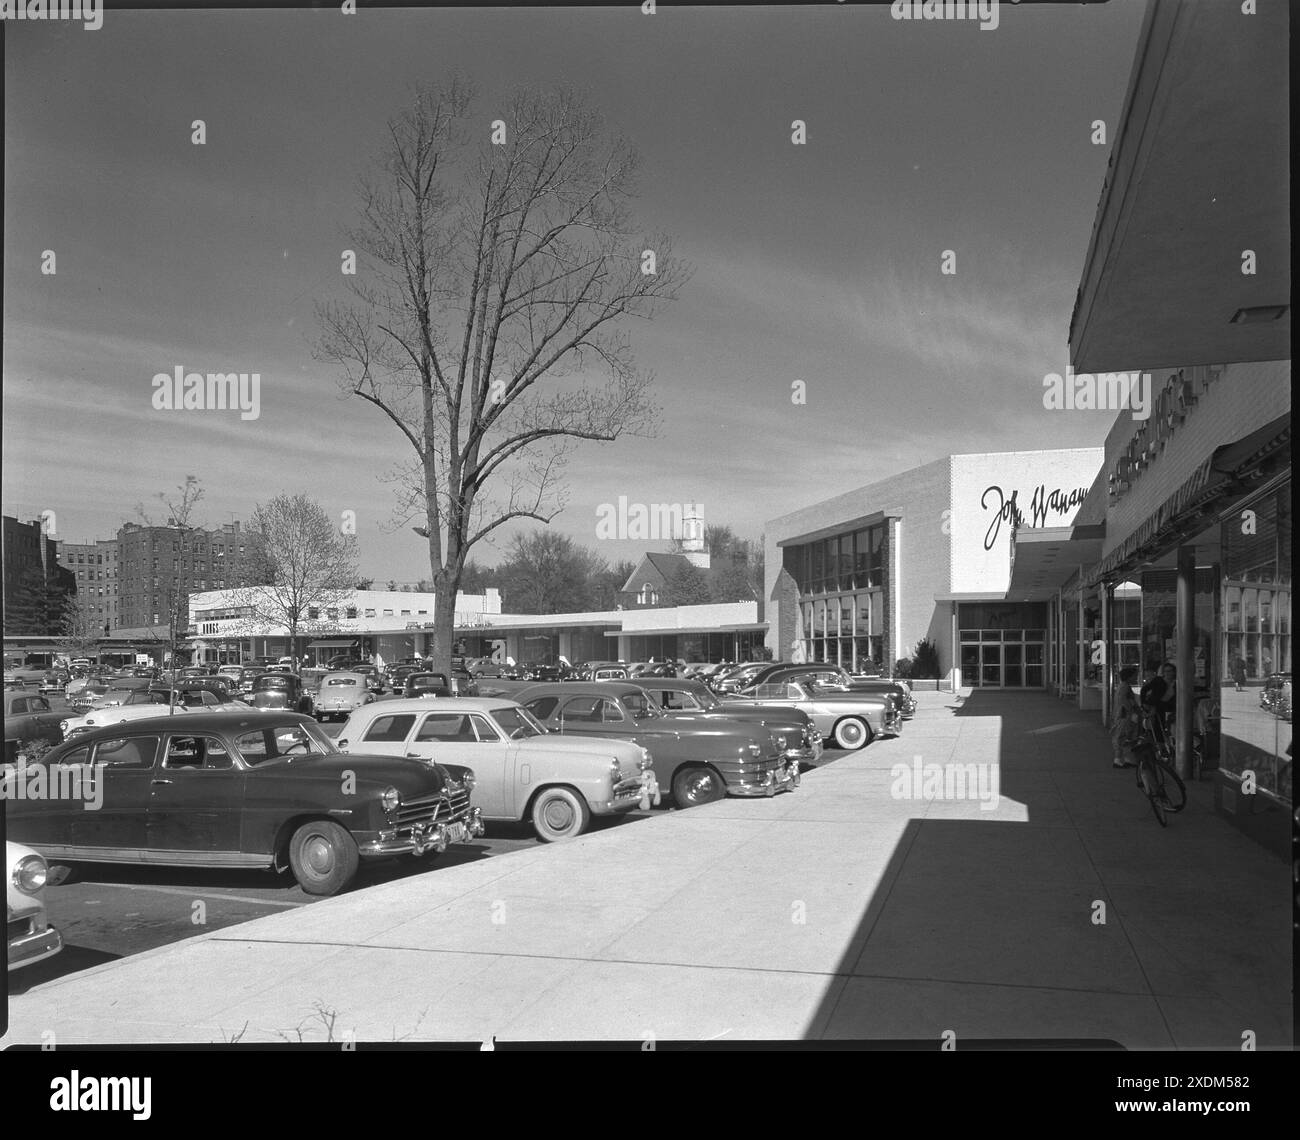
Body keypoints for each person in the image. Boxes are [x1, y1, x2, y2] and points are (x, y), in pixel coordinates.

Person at [1111, 666, 1141, 768]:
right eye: (1134, 676)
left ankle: (1126, 759)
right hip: (1124, 716)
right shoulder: (1125, 687)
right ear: (1129, 677)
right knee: (1123, 737)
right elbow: (1127, 702)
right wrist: (1135, 711)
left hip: (1122, 715)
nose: (1136, 678)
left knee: (1126, 737)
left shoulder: (1123, 686)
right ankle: (1118, 759)